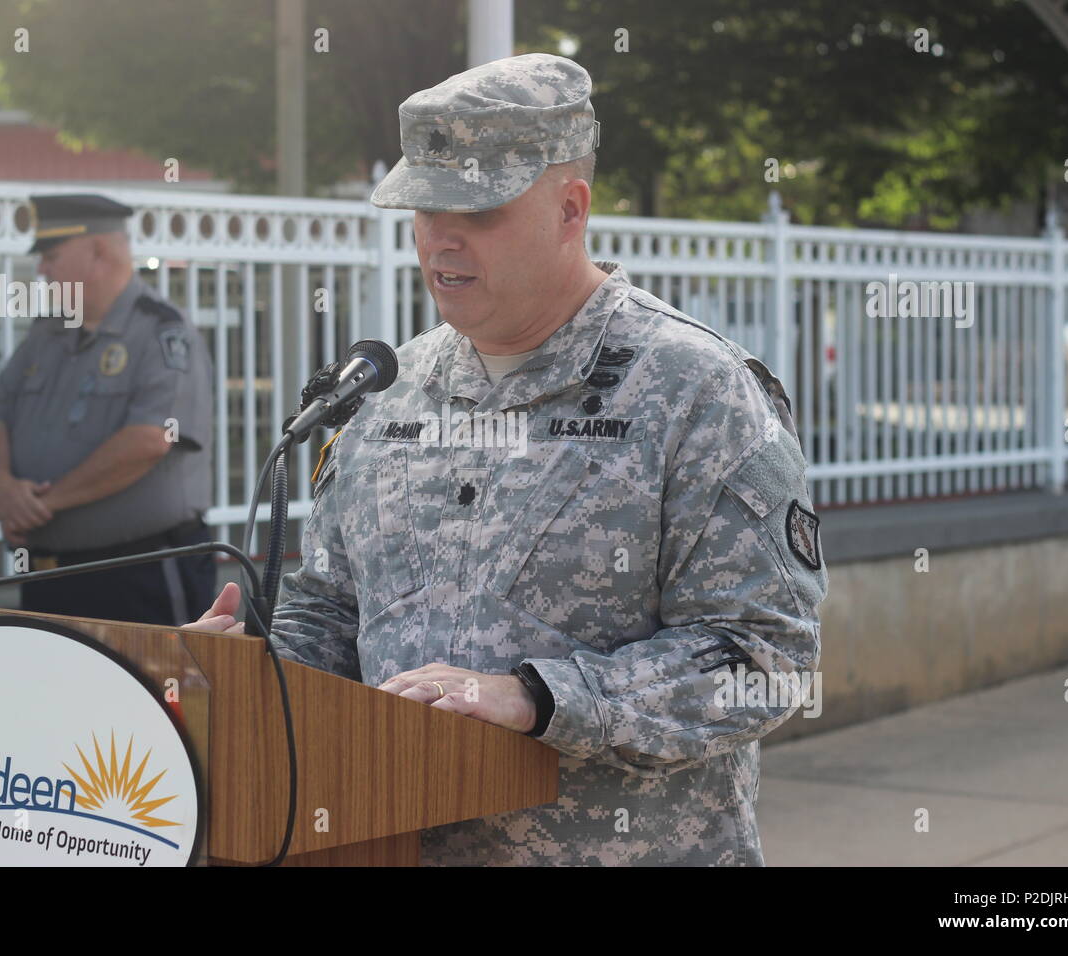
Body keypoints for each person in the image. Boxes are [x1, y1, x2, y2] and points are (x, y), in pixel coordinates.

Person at [193, 53, 827, 865]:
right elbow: (330, 613)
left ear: (571, 209)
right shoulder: (389, 392)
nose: (442, 239)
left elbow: (765, 658)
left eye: (478, 210)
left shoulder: (696, 391)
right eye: (424, 209)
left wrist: (537, 698)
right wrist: (245, 664)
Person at [0, 193, 216, 627]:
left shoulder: (163, 333)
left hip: (139, 575)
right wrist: (2, 487)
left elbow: (149, 440)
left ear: (99, 251)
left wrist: (42, 505)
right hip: (49, 573)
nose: (42, 269)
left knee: (154, 695)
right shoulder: (47, 335)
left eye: (51, 255)